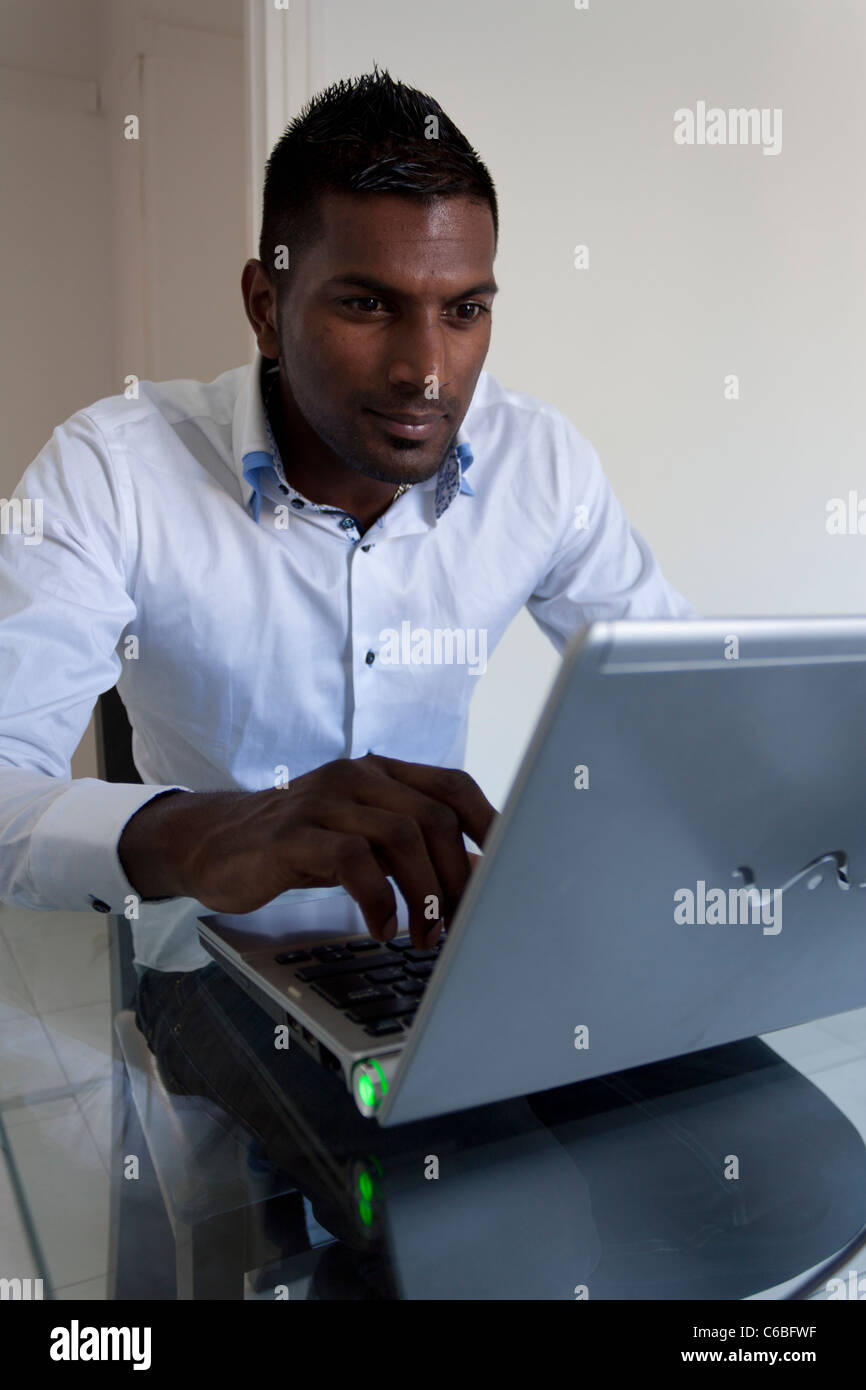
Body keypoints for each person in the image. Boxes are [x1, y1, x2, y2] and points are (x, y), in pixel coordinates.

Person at [0, 71, 697, 1278]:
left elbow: (683, 707)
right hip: (214, 958)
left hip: (449, 952)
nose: (428, 370)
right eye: (369, 305)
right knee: (454, 1243)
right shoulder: (114, 470)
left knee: (729, 1180)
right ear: (265, 305)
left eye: (464, 309)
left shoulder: (540, 466)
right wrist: (206, 833)